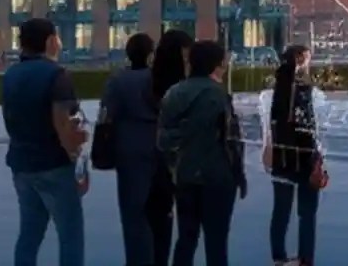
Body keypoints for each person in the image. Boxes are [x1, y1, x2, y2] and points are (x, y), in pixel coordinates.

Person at [2, 18, 89, 266]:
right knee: (70, 236)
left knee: (29, 234)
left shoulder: (11, 74)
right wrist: (76, 154)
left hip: (21, 163)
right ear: (51, 41)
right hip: (55, 164)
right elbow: (63, 123)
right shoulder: (57, 75)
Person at [158, 40, 247, 266]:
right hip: (217, 177)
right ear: (215, 65)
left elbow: (163, 139)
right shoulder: (218, 96)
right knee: (216, 243)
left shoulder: (174, 93)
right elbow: (232, 140)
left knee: (186, 238)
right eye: (223, 62)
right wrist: (239, 174)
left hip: (185, 175)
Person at [99, 32, 160, 266]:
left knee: (133, 212)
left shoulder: (117, 80)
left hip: (128, 147)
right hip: (158, 144)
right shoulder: (158, 78)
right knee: (160, 210)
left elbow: (106, 115)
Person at [267, 44, 322, 266]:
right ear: (300, 59)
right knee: (307, 213)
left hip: (282, 157)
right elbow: (316, 126)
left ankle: (279, 257)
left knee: (281, 209)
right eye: (307, 58)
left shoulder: (274, 90)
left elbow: (268, 124)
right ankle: (305, 257)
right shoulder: (308, 91)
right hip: (305, 155)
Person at [147, 29, 193, 266]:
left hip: (153, 163)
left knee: (159, 224)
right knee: (178, 226)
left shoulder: (148, 81)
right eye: (185, 58)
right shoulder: (180, 90)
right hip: (172, 164)